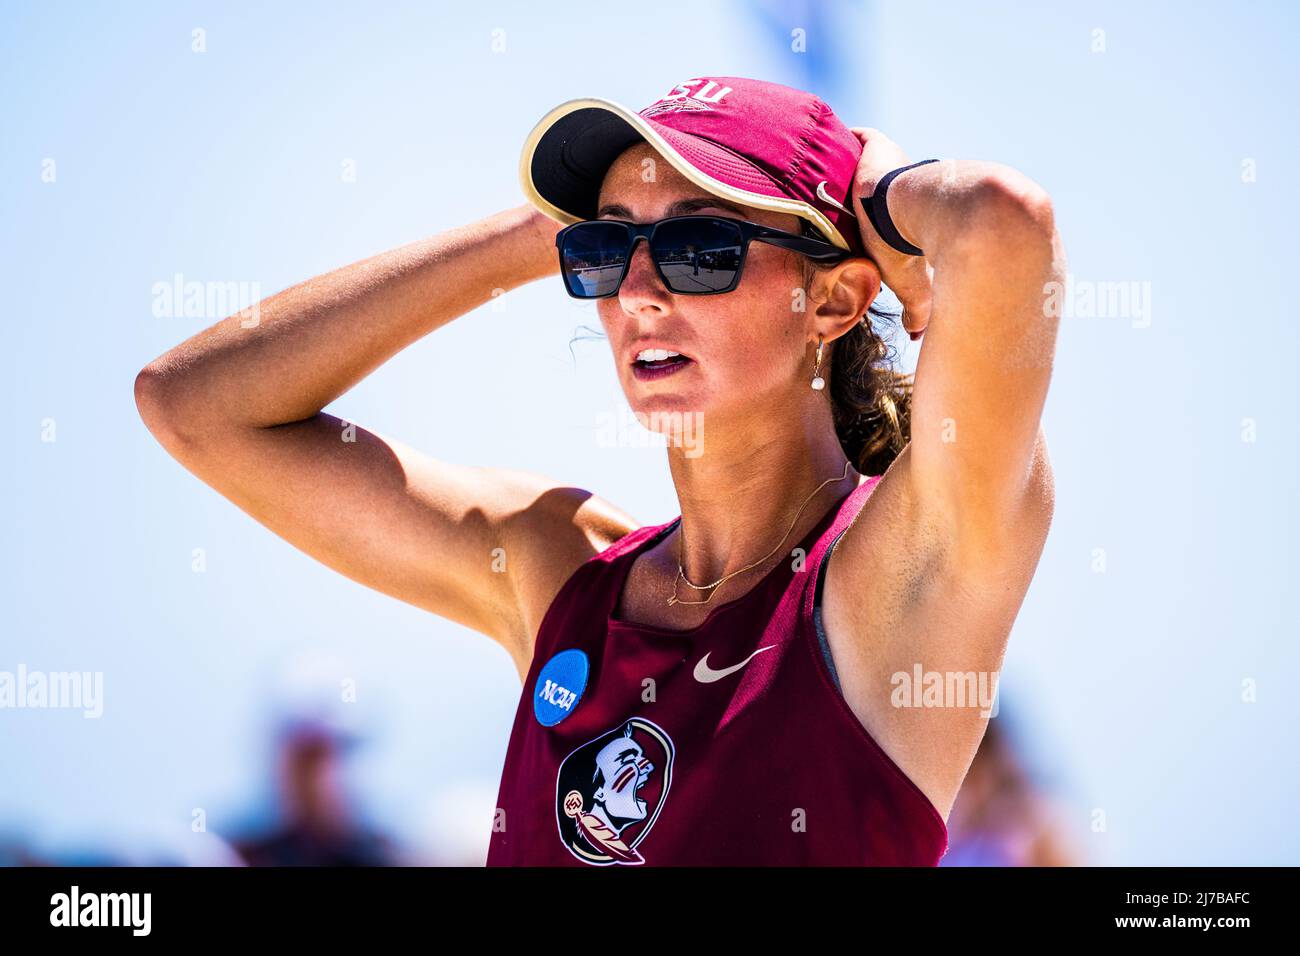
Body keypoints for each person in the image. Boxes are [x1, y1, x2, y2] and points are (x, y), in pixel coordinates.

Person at [135, 74, 1062, 866]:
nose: (641, 294)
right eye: (606, 251)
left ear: (830, 300)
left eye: (702, 249)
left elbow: (1000, 221)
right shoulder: (560, 571)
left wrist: (873, 187)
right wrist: (538, 235)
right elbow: (194, 406)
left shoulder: (899, 574)